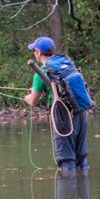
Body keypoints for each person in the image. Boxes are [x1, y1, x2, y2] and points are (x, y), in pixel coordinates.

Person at [23, 36, 90, 173]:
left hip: (63, 117)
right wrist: (36, 90)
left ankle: (67, 185)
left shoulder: (42, 72)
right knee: (81, 158)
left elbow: (33, 101)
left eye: (34, 51)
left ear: (38, 52)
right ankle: (83, 185)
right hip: (81, 112)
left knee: (66, 160)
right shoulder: (66, 64)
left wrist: (26, 97)